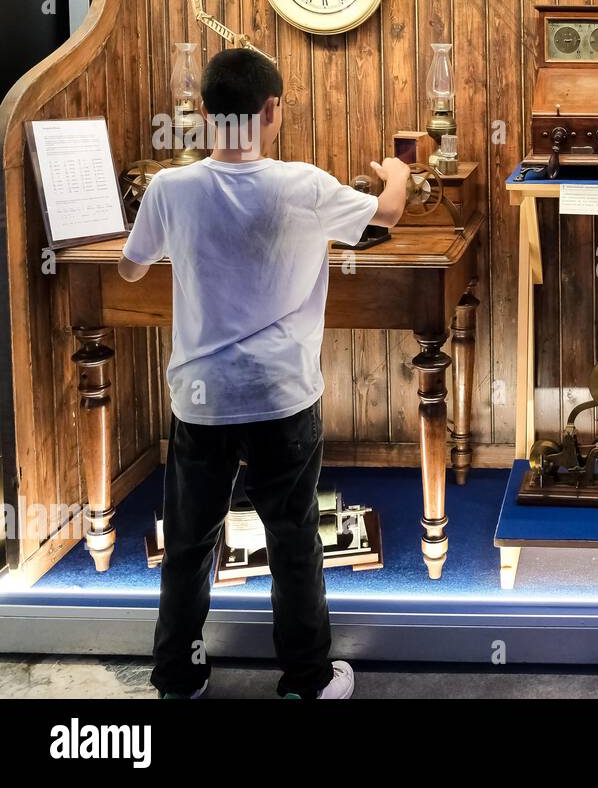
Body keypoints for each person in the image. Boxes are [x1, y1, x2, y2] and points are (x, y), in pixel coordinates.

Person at [119, 48, 411, 699]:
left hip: (201, 399)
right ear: (272, 110)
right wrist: (397, 172)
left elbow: (132, 269)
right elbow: (386, 216)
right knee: (294, 538)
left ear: (203, 111)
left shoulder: (170, 187)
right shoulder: (303, 184)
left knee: (190, 543)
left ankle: (179, 676)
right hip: (282, 395)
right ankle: (307, 677)